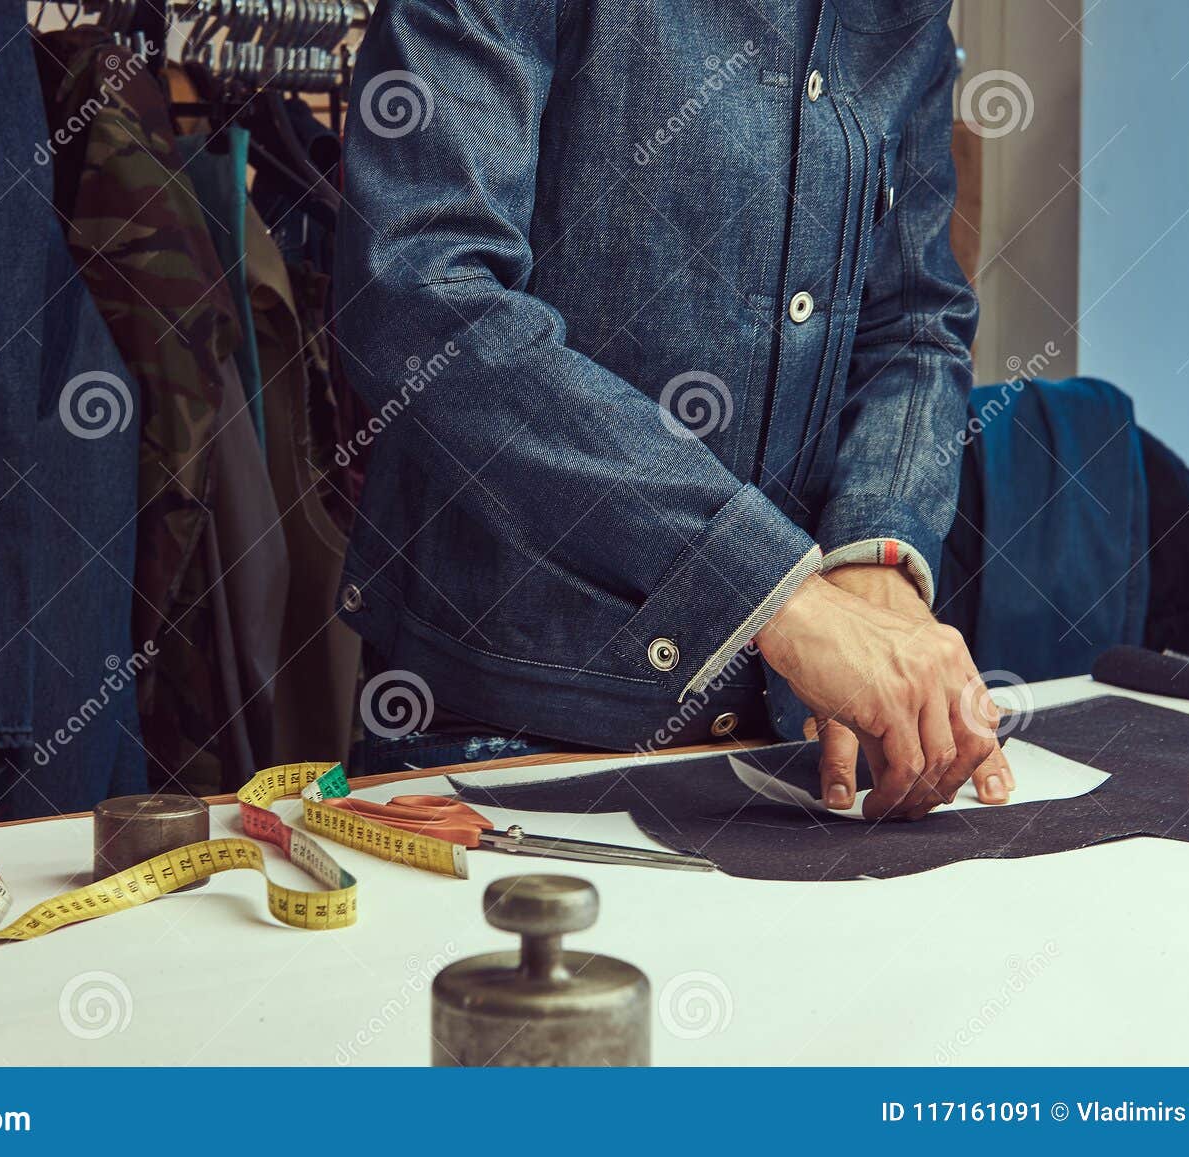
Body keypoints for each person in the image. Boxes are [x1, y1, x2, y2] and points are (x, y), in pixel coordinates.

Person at [332, 0, 1014, 820]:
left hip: (794, 735)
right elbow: (420, 299)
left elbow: (915, 322)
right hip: (509, 720)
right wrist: (765, 585)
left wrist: (876, 547)